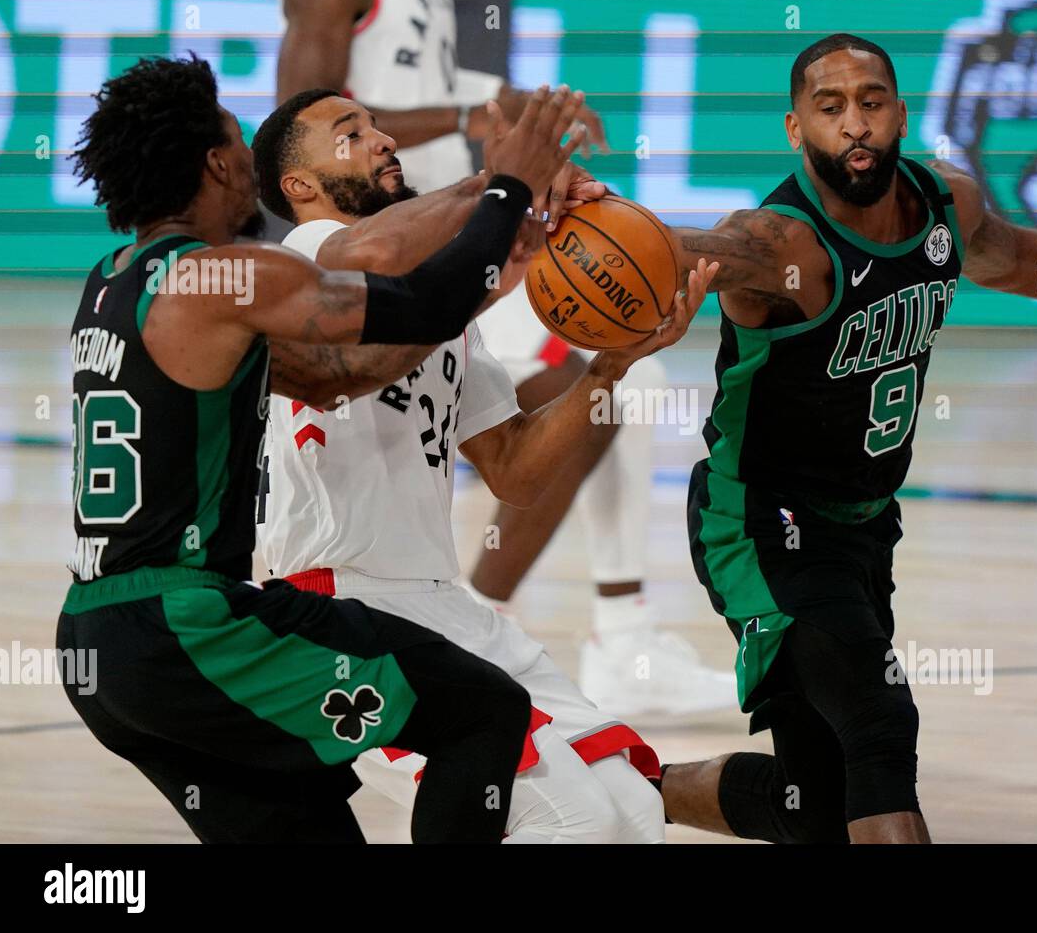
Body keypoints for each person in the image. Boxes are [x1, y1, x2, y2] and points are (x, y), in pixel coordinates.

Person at [652, 33, 1037, 843]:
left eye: (871, 103)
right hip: (765, 522)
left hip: (863, 524)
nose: (856, 126)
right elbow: (688, 250)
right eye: (829, 108)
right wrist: (585, 221)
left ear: (902, 113)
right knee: (879, 726)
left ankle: (619, 782)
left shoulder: (947, 203)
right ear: (795, 129)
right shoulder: (782, 244)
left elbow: (1020, 262)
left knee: (815, 805)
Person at [60, 55, 585, 842]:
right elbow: (420, 304)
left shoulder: (111, 282)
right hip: (187, 626)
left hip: (95, 644)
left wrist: (491, 260)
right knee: (486, 710)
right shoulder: (225, 277)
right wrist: (504, 188)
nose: (249, 169)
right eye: (239, 147)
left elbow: (338, 379)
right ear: (216, 162)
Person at [251, 88, 718, 840]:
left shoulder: (445, 309)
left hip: (444, 604)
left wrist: (607, 370)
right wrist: (503, 184)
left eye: (377, 124)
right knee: (574, 825)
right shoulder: (304, 261)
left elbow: (516, 472)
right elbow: (366, 255)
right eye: (351, 133)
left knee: (632, 806)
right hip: (340, 612)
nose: (380, 140)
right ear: (299, 186)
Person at [276, 0, 736, 715]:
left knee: (628, 387)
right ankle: (474, 627)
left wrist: (503, 105)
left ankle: (600, 632)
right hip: (380, 247)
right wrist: (483, 143)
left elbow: (419, 84)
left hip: (457, 232)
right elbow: (297, 108)